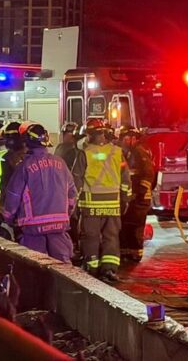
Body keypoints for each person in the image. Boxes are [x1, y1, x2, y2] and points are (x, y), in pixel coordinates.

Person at [2, 123, 76, 262]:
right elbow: (72, 193)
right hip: (59, 227)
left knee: (34, 270)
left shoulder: (24, 166)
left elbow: (13, 196)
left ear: (27, 143)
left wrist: (8, 218)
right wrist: (67, 213)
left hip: (33, 230)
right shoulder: (61, 163)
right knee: (64, 271)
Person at [78, 118, 130, 283]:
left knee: (91, 236)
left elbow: (77, 180)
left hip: (91, 203)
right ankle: (109, 269)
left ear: (90, 134)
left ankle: (91, 267)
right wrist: (125, 198)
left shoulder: (84, 153)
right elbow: (126, 179)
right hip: (112, 203)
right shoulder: (117, 152)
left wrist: (71, 203)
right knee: (111, 237)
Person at [117, 126, 154, 263]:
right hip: (133, 195)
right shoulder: (128, 152)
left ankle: (135, 254)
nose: (124, 141)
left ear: (133, 138)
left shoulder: (139, 152)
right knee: (127, 224)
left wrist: (140, 192)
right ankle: (127, 252)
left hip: (140, 197)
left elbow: (148, 174)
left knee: (136, 226)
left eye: (126, 138)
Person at [54, 122, 84, 258]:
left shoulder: (68, 150)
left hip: (65, 188)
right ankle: (73, 246)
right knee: (71, 218)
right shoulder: (69, 149)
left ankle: (73, 246)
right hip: (67, 188)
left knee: (72, 218)